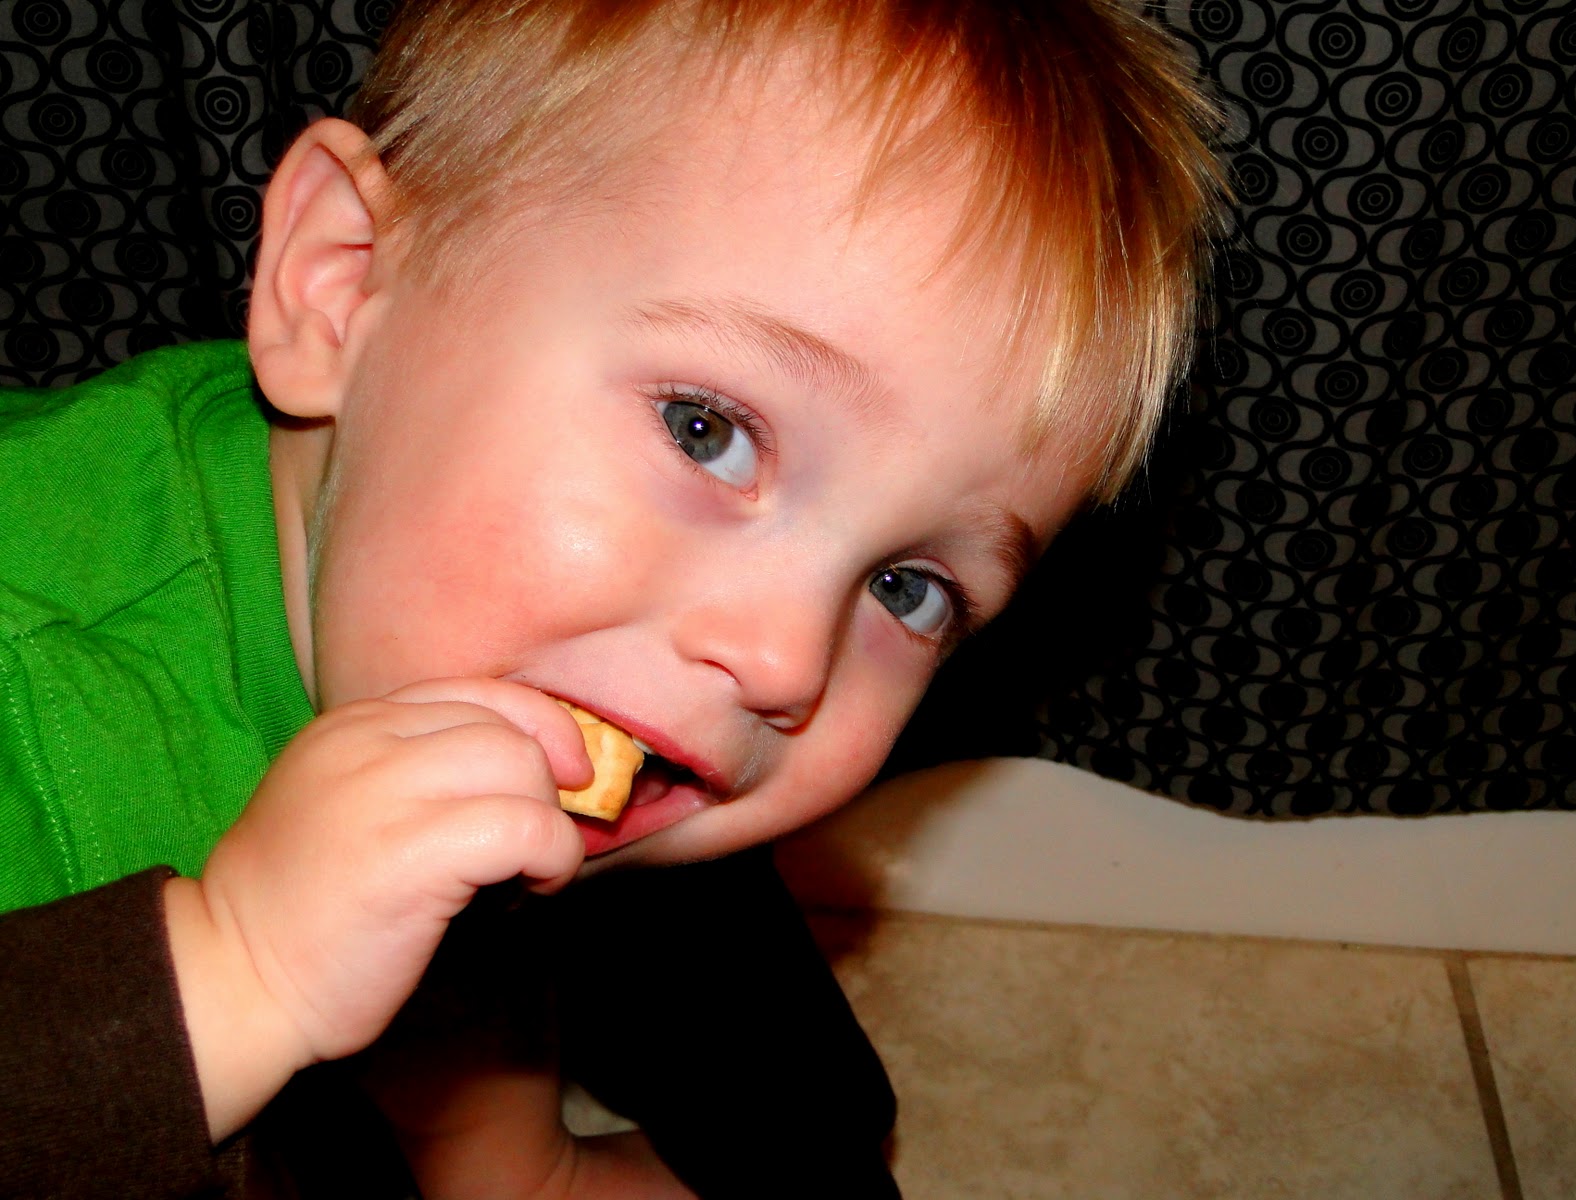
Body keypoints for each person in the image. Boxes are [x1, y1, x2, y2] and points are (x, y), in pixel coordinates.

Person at [0, 0, 1221, 1194]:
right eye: (708, 431)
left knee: (795, 1111)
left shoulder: (481, 611)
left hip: (571, 729)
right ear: (343, 282)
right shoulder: (39, 693)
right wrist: (235, 973)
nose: (787, 658)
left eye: (905, 588)